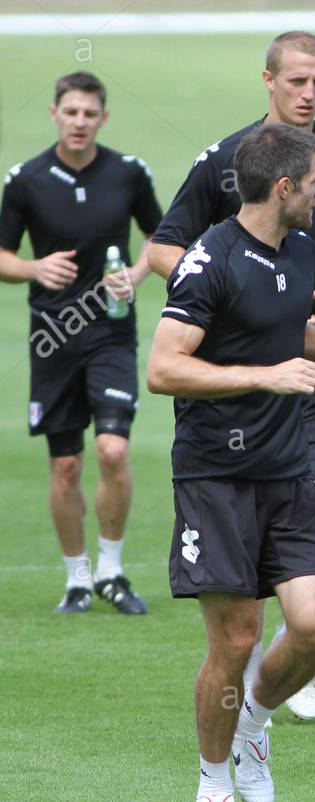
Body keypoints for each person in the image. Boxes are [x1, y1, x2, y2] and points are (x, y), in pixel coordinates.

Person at [145, 123, 315, 802]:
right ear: (283, 188)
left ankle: (255, 722)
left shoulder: (305, 248)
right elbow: (164, 368)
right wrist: (264, 376)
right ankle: (213, 781)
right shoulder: (208, 261)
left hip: (286, 470)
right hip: (216, 477)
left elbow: (287, 329)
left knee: (314, 627)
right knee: (235, 639)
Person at [0, 71, 161, 615]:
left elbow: (163, 239)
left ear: (103, 118)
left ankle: (113, 571)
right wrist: (31, 267)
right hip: (52, 339)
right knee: (64, 465)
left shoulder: (128, 174)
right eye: (70, 112)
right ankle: (77, 578)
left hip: (111, 332)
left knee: (113, 450)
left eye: (90, 113)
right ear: (54, 115)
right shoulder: (25, 180)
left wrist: (137, 275)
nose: (79, 122)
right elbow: (2, 256)